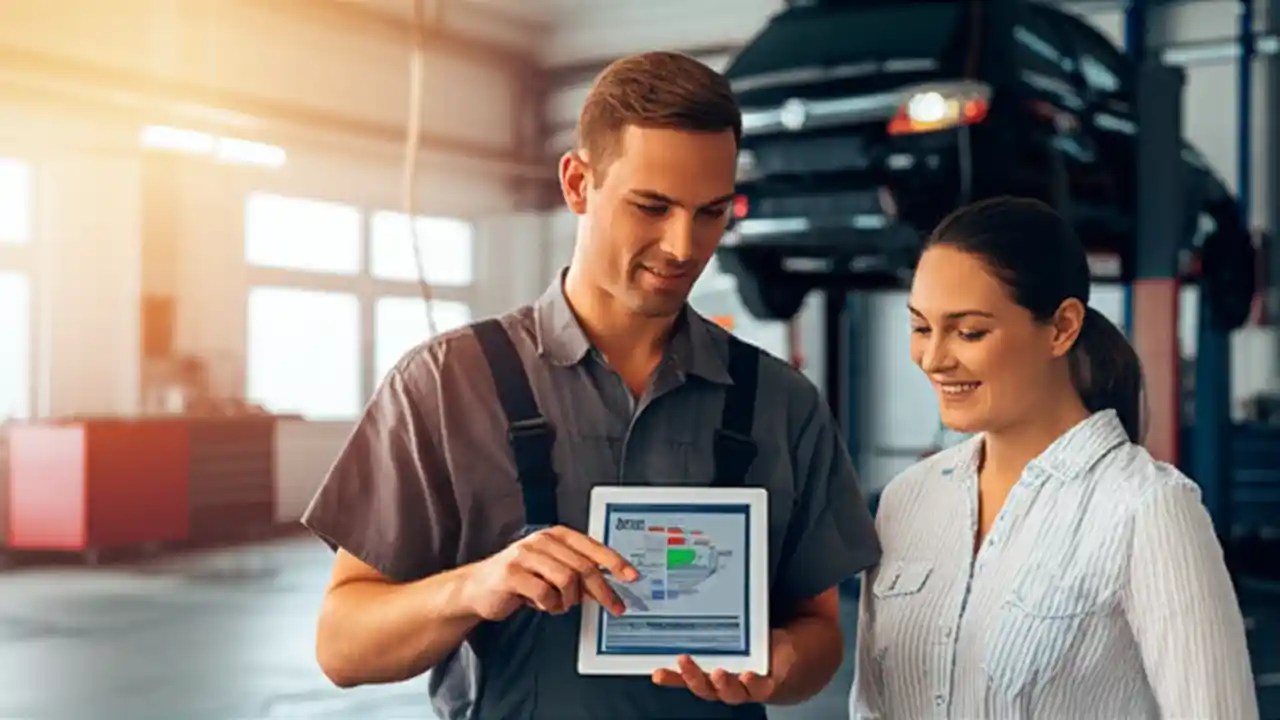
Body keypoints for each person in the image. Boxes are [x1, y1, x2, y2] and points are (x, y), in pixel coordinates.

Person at [302, 50, 881, 720]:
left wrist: (780, 669)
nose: (683, 246)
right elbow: (342, 645)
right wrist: (472, 586)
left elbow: (818, 635)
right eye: (652, 206)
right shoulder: (442, 385)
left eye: (712, 212)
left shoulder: (782, 403)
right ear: (578, 183)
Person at [850, 196, 1259, 719]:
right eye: (921, 327)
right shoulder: (908, 501)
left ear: (1062, 327)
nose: (933, 359)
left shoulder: (1146, 510)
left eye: (969, 332)